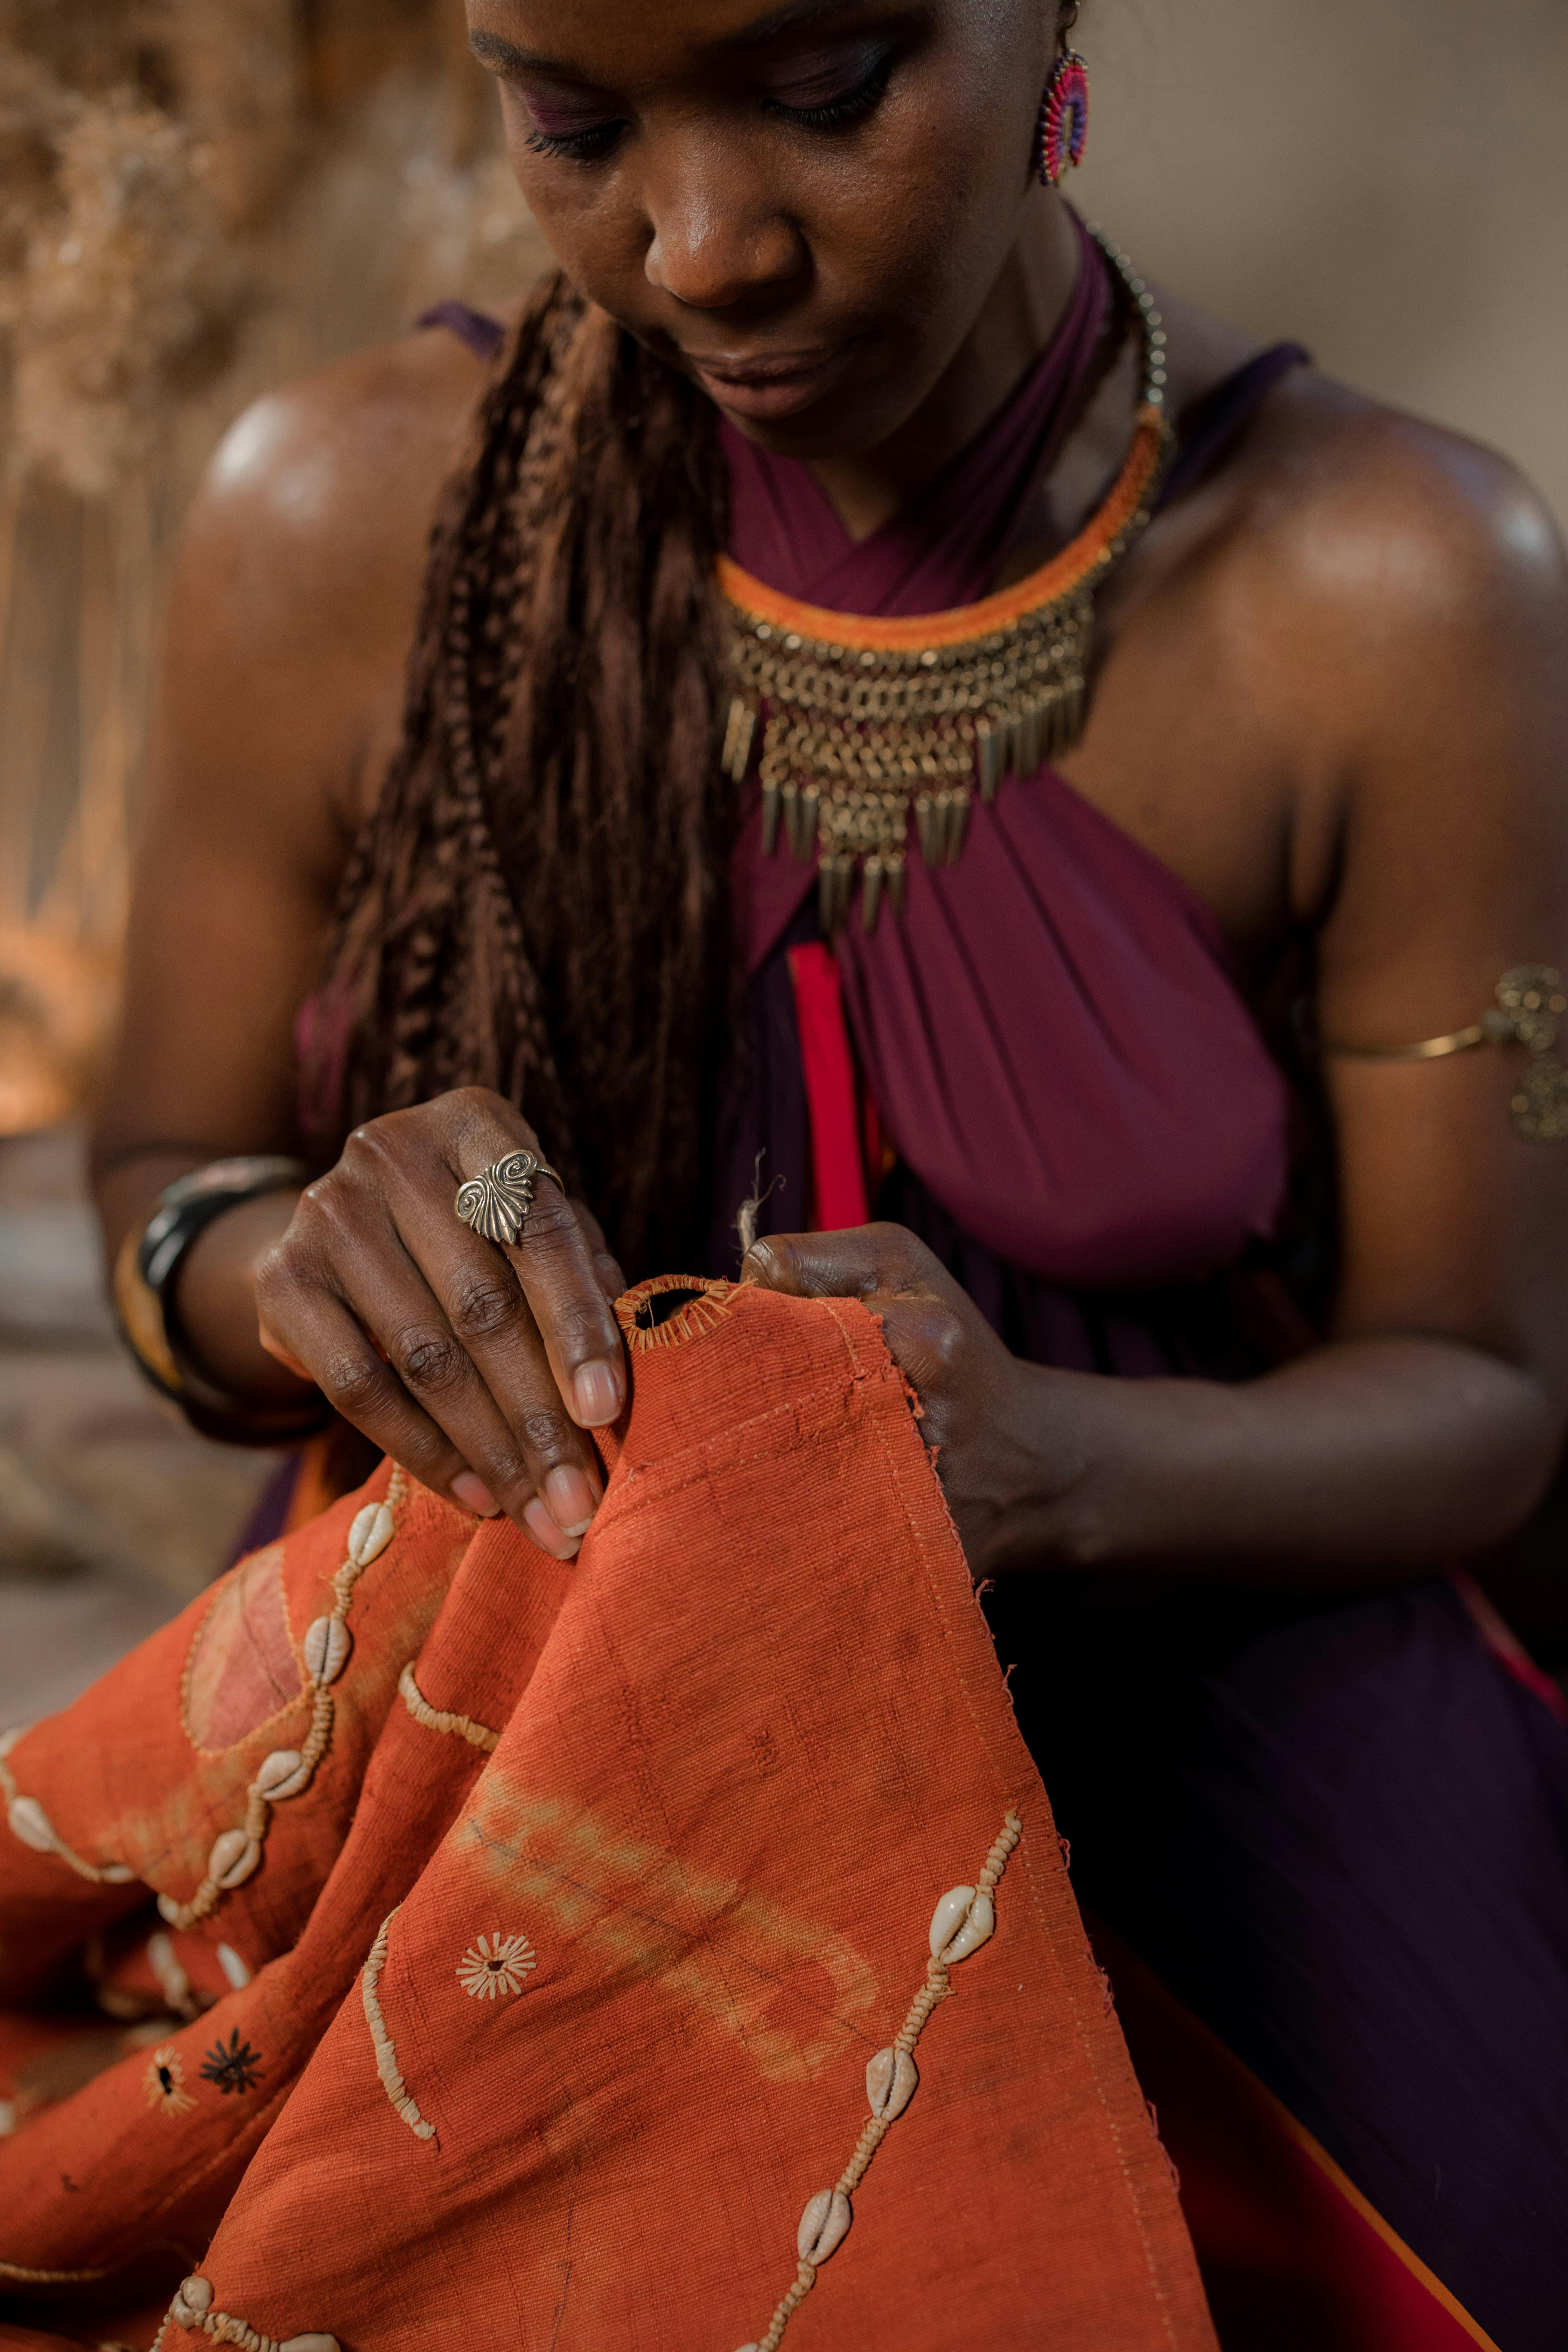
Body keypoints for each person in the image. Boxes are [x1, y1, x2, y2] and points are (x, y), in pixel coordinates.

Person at [90, 0, 1568, 2342]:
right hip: (538, 1702)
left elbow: (1482, 1382)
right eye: (573, 125)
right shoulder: (342, 516)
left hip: (1193, 1649)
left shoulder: (1396, 582)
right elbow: (160, 1183)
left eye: (824, 93)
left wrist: (1053, 1464)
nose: (698, 247)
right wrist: (292, 1254)